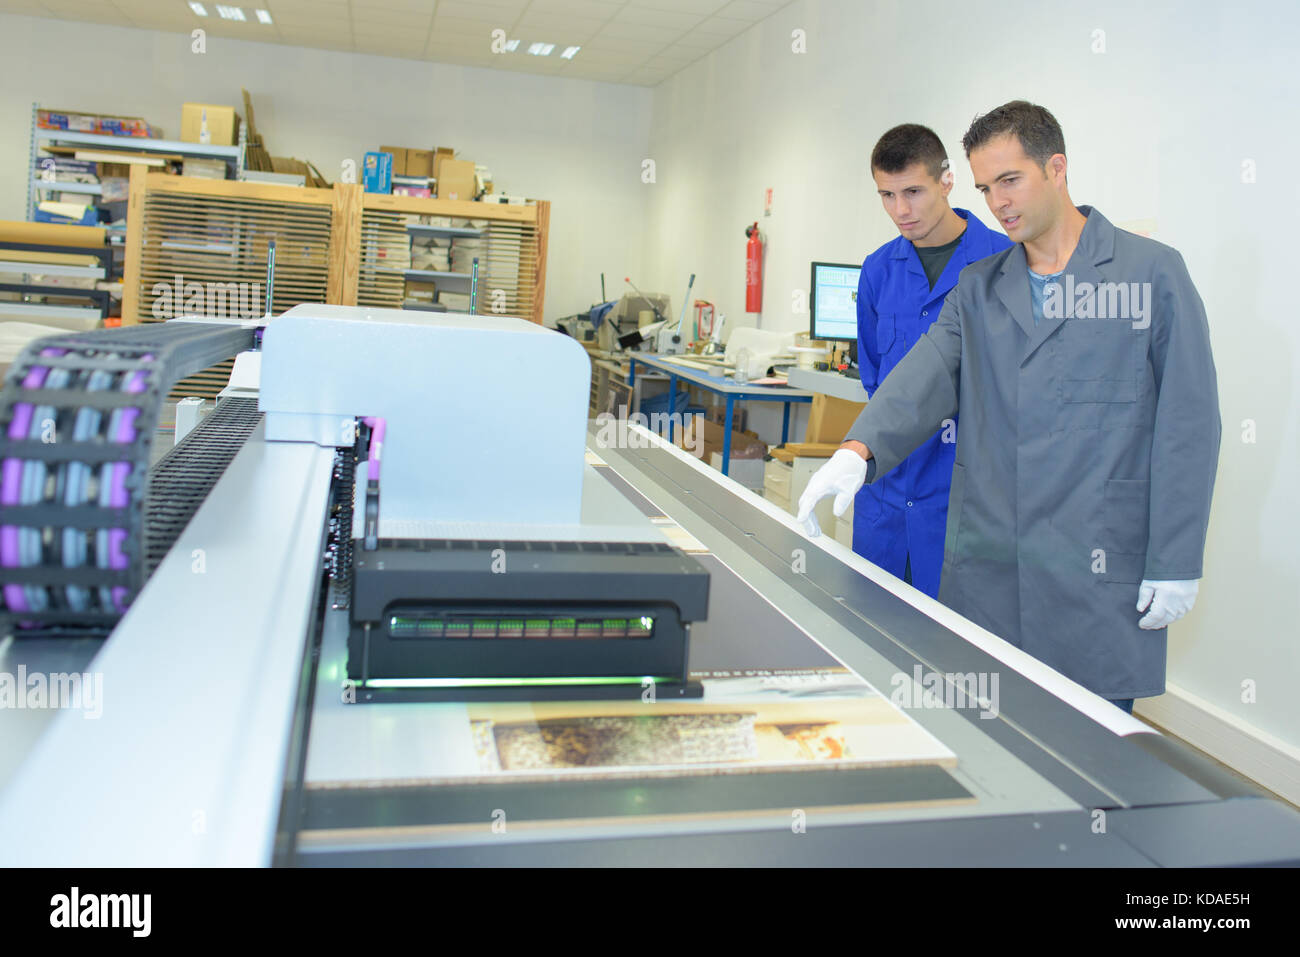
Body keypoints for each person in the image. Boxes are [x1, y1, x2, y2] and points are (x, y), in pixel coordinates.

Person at [796, 101, 1220, 712]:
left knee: (1089, 751)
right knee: (986, 737)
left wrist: (1176, 558)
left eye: (1010, 180)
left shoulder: (1150, 275)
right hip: (992, 560)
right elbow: (923, 376)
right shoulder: (981, 287)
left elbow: (1190, 424)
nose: (998, 203)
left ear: (1056, 168)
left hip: (1094, 563)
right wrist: (858, 452)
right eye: (985, 187)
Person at [820, 124, 1010, 598]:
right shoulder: (877, 270)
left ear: (947, 181)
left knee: (952, 658)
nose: (900, 210)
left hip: (961, 503)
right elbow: (875, 382)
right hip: (883, 498)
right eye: (886, 195)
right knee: (872, 631)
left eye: (913, 192)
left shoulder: (1003, 261)